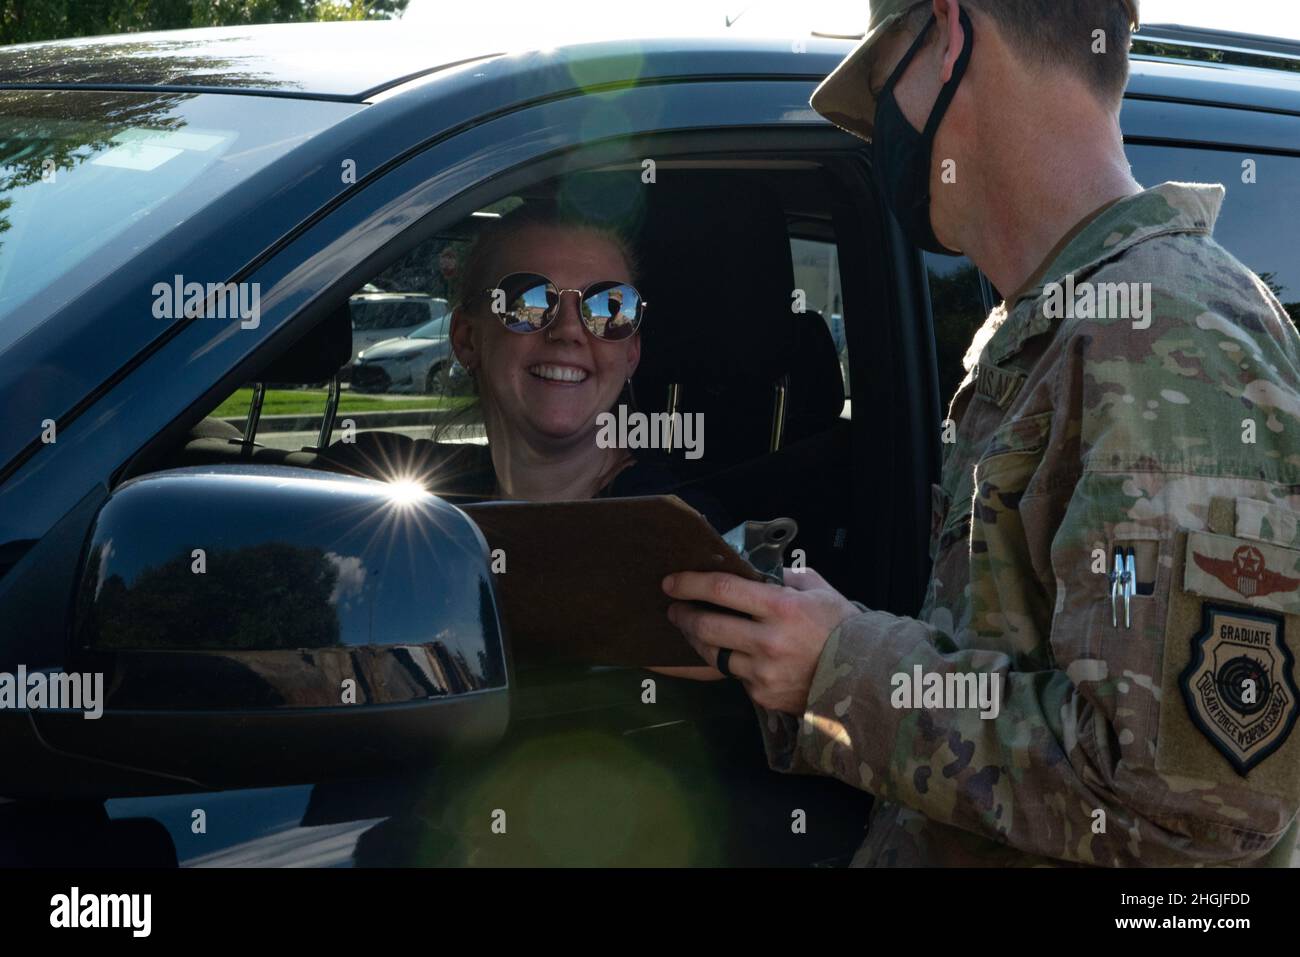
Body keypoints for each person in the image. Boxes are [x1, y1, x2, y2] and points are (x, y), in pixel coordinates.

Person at [663, 0, 1300, 866]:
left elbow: (1188, 808)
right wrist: (804, 640)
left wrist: (845, 669)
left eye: (885, 88)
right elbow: (1030, 677)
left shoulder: (1163, 335)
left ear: (951, 33)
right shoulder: (1055, 329)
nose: (879, 133)